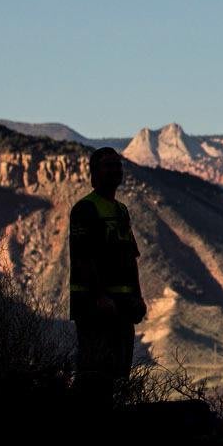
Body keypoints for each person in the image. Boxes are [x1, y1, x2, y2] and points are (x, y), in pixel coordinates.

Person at [68, 146, 145, 406]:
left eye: (118, 165)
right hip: (94, 306)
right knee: (94, 370)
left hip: (122, 304)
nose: (115, 170)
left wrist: (138, 297)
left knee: (120, 371)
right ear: (94, 173)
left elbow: (130, 256)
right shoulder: (85, 209)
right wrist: (99, 296)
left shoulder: (122, 211)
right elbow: (83, 255)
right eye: (108, 165)